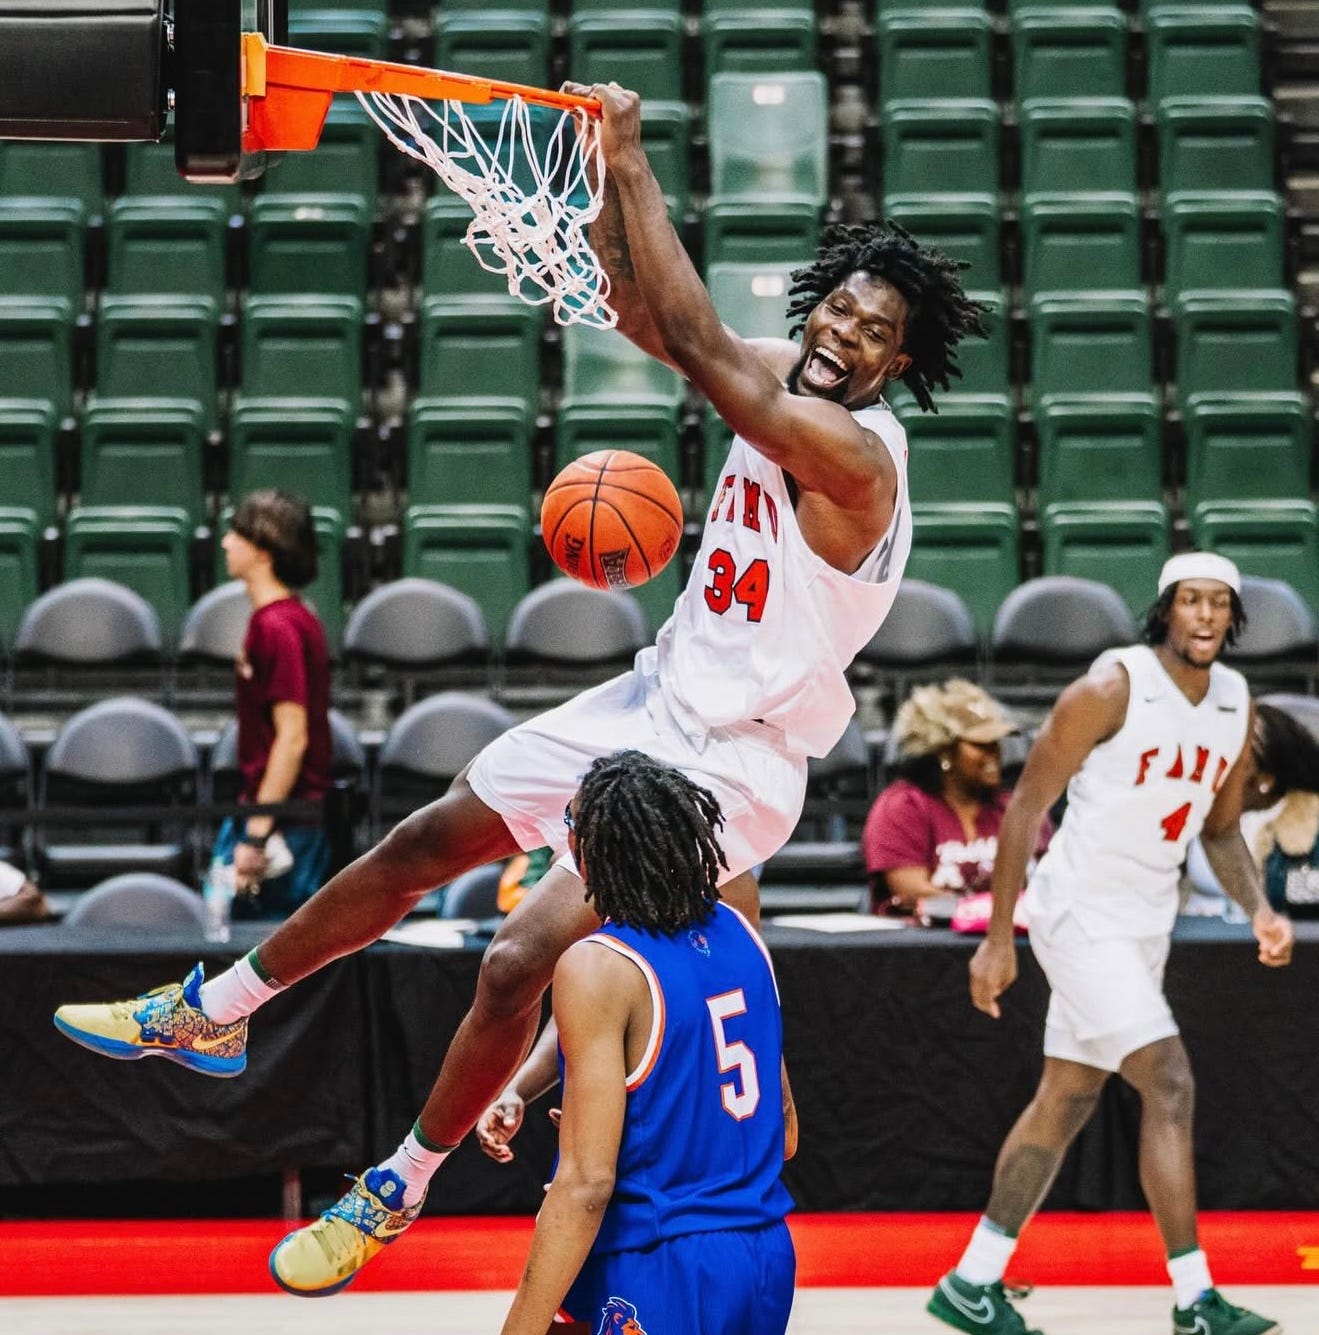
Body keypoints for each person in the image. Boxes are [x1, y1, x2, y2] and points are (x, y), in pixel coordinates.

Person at [53, 81, 983, 1295]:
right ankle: (216, 1009)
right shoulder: (794, 378)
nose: (841, 337)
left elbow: (699, 345)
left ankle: (397, 1184)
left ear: (896, 361)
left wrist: (635, 154)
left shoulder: (855, 457)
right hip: (657, 699)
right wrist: (596, 175)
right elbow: (650, 317)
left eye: (869, 333)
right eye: (838, 312)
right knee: (418, 843)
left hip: (726, 767)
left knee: (512, 961)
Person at [926, 552, 1295, 1335]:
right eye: (1189, 600)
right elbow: (1025, 805)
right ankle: (1195, 1300)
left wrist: (1258, 907)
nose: (1203, 615)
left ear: (1232, 617)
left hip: (1143, 921)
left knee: (1065, 1097)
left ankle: (969, 1280)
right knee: (1168, 1082)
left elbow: (1221, 828)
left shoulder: (1233, 700)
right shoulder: (1111, 685)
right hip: (1077, 911)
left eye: (1217, 603)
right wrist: (998, 936)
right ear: (1164, 610)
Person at [447, 751, 795, 1335]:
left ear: (591, 851)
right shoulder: (743, 934)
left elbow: (586, 1186)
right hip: (764, 1255)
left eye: (569, 823)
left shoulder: (596, 965)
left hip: (659, 1260)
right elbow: (783, 1134)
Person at [215, 490, 332, 918]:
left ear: (264, 551)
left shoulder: (277, 627)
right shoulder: (289, 617)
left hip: (284, 826)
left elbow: (292, 738)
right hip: (282, 817)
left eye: (236, 533)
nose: (226, 542)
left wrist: (257, 835)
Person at [863, 679, 1051, 915]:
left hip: (1000, 937)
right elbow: (910, 890)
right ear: (944, 750)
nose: (994, 753)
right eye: (980, 744)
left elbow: (1046, 883)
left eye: (995, 743)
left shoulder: (1014, 807)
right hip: (922, 944)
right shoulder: (904, 806)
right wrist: (982, 910)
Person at [1182, 701, 1319, 917]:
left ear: (1265, 780)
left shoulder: (1308, 826)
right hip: (1196, 941)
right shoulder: (1193, 807)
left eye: (1235, 761)